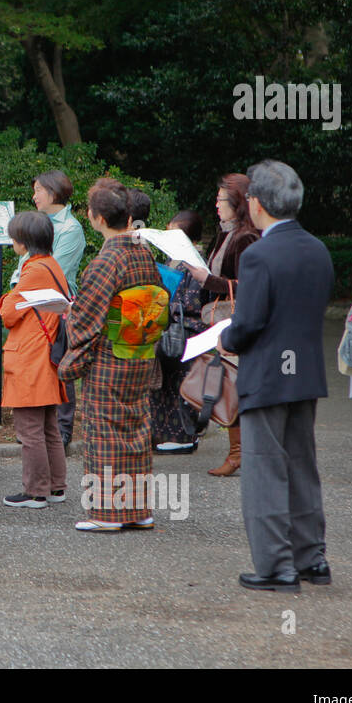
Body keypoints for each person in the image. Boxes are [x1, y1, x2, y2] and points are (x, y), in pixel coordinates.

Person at [218, 160, 334, 592]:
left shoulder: (259, 254)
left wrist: (225, 336)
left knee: (265, 471)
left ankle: (275, 567)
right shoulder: (317, 248)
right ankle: (312, 559)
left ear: (258, 204)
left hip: (267, 374)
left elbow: (248, 324)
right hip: (304, 373)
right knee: (303, 467)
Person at [57, 178, 169, 532]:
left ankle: (107, 513)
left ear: (97, 218)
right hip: (141, 350)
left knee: (104, 430)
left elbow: (87, 319)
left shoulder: (107, 262)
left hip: (110, 358)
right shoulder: (143, 253)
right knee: (136, 428)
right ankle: (138, 510)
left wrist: (70, 317)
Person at [184, 173, 260, 477]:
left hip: (233, 320)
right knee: (229, 384)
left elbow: (247, 285)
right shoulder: (225, 232)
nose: (216, 205)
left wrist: (207, 279)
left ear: (237, 203)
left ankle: (240, 453)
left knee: (232, 385)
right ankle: (239, 452)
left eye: (221, 200)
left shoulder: (246, 237)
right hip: (218, 319)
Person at [0, 211, 71, 507]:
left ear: (25, 242)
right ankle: (55, 487)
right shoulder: (51, 265)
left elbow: (8, 314)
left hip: (31, 358)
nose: (12, 241)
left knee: (29, 429)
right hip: (46, 356)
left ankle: (36, 491)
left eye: (15, 237)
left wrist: (6, 299)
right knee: (48, 427)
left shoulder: (33, 271)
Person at [150, 210, 208, 455]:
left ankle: (184, 436)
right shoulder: (176, 260)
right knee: (164, 385)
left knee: (183, 386)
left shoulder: (198, 263)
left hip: (188, 332)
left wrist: (165, 301)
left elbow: (194, 303)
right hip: (172, 329)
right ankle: (163, 434)